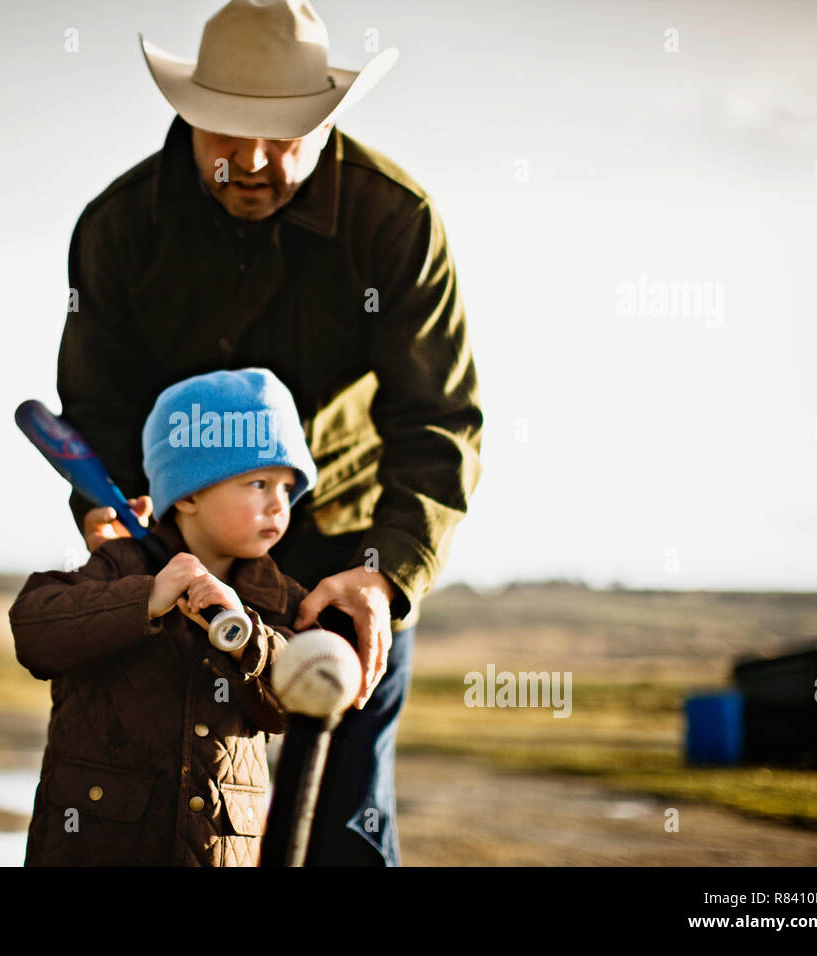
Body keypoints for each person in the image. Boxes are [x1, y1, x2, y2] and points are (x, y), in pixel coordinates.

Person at [57, 0, 483, 865]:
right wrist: (111, 530)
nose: (252, 164)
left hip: (344, 564)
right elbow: (97, 412)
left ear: (326, 120)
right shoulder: (117, 229)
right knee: (157, 820)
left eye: (283, 137)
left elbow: (435, 421)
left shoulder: (396, 221)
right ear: (187, 112)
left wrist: (386, 579)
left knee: (344, 834)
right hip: (174, 561)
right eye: (226, 134)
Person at [9, 368, 318, 866]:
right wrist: (145, 598)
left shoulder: (279, 599)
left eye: (288, 487)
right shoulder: (118, 564)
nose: (278, 504)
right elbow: (35, 629)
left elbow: (298, 699)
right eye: (259, 482)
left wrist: (246, 637)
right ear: (190, 495)